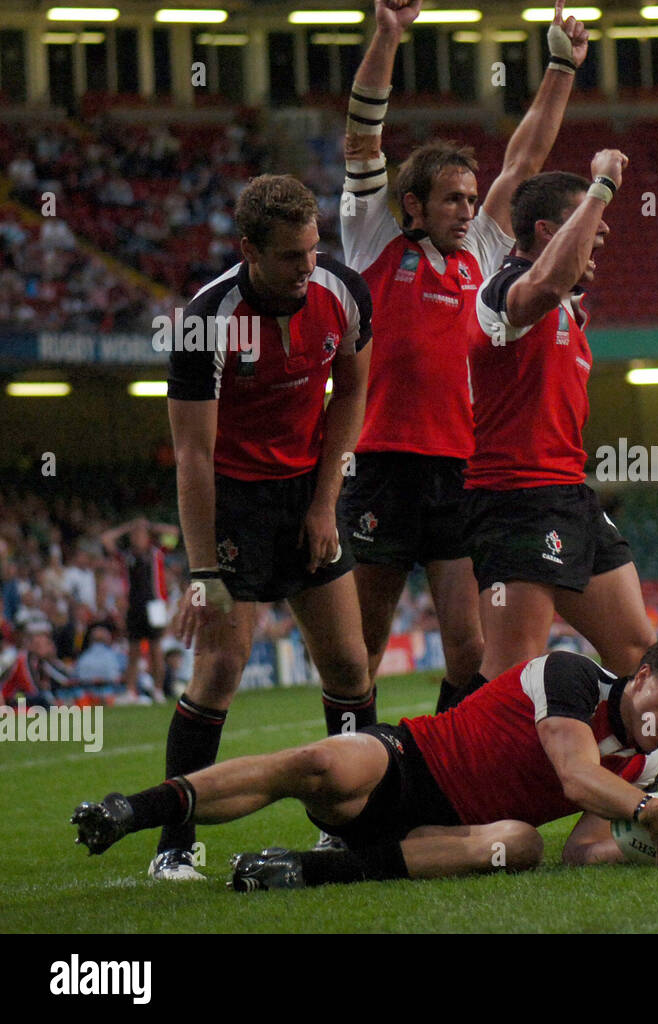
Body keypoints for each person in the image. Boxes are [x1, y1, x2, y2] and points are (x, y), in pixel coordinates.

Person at [339, 0, 591, 711]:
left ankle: (441, 771)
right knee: (360, 643)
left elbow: (527, 158)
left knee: (472, 649)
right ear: (411, 205)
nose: (467, 208)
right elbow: (362, 137)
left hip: (460, 470)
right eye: (452, 198)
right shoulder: (372, 240)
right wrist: (387, 36)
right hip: (382, 463)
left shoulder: (482, 250)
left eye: (471, 198)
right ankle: (350, 800)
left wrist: (561, 67)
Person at [71, 634, 658, 887]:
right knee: (319, 765)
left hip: (443, 837)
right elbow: (575, 775)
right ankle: (132, 811)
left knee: (521, 844)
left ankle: (311, 872)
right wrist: (650, 811)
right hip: (407, 762)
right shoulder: (572, 675)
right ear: (640, 676)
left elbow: (583, 851)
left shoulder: (650, 772)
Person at [160, 173, 374, 881]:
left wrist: (323, 503)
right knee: (221, 666)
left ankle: (351, 821)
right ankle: (176, 844)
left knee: (348, 663)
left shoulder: (342, 293)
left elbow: (352, 396)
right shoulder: (207, 320)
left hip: (306, 491)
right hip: (232, 503)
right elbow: (192, 456)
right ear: (250, 249)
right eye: (290, 257)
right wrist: (202, 573)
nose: (307, 267)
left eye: (314, 250)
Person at [464, 155, 658, 682]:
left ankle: (605, 764)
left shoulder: (572, 308)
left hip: (570, 493)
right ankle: (461, 763)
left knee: (639, 652)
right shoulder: (501, 292)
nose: (602, 231)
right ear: (547, 231)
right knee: (512, 670)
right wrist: (602, 186)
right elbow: (544, 288)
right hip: (515, 499)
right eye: (587, 220)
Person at [100, 518, 176, 701]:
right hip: (134, 606)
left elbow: (173, 532)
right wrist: (127, 527)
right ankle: (131, 691)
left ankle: (158, 690)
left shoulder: (157, 552)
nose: (137, 538)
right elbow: (106, 539)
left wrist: (150, 526)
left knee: (156, 649)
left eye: (141, 534)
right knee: (133, 651)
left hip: (155, 604)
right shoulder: (126, 556)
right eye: (135, 535)